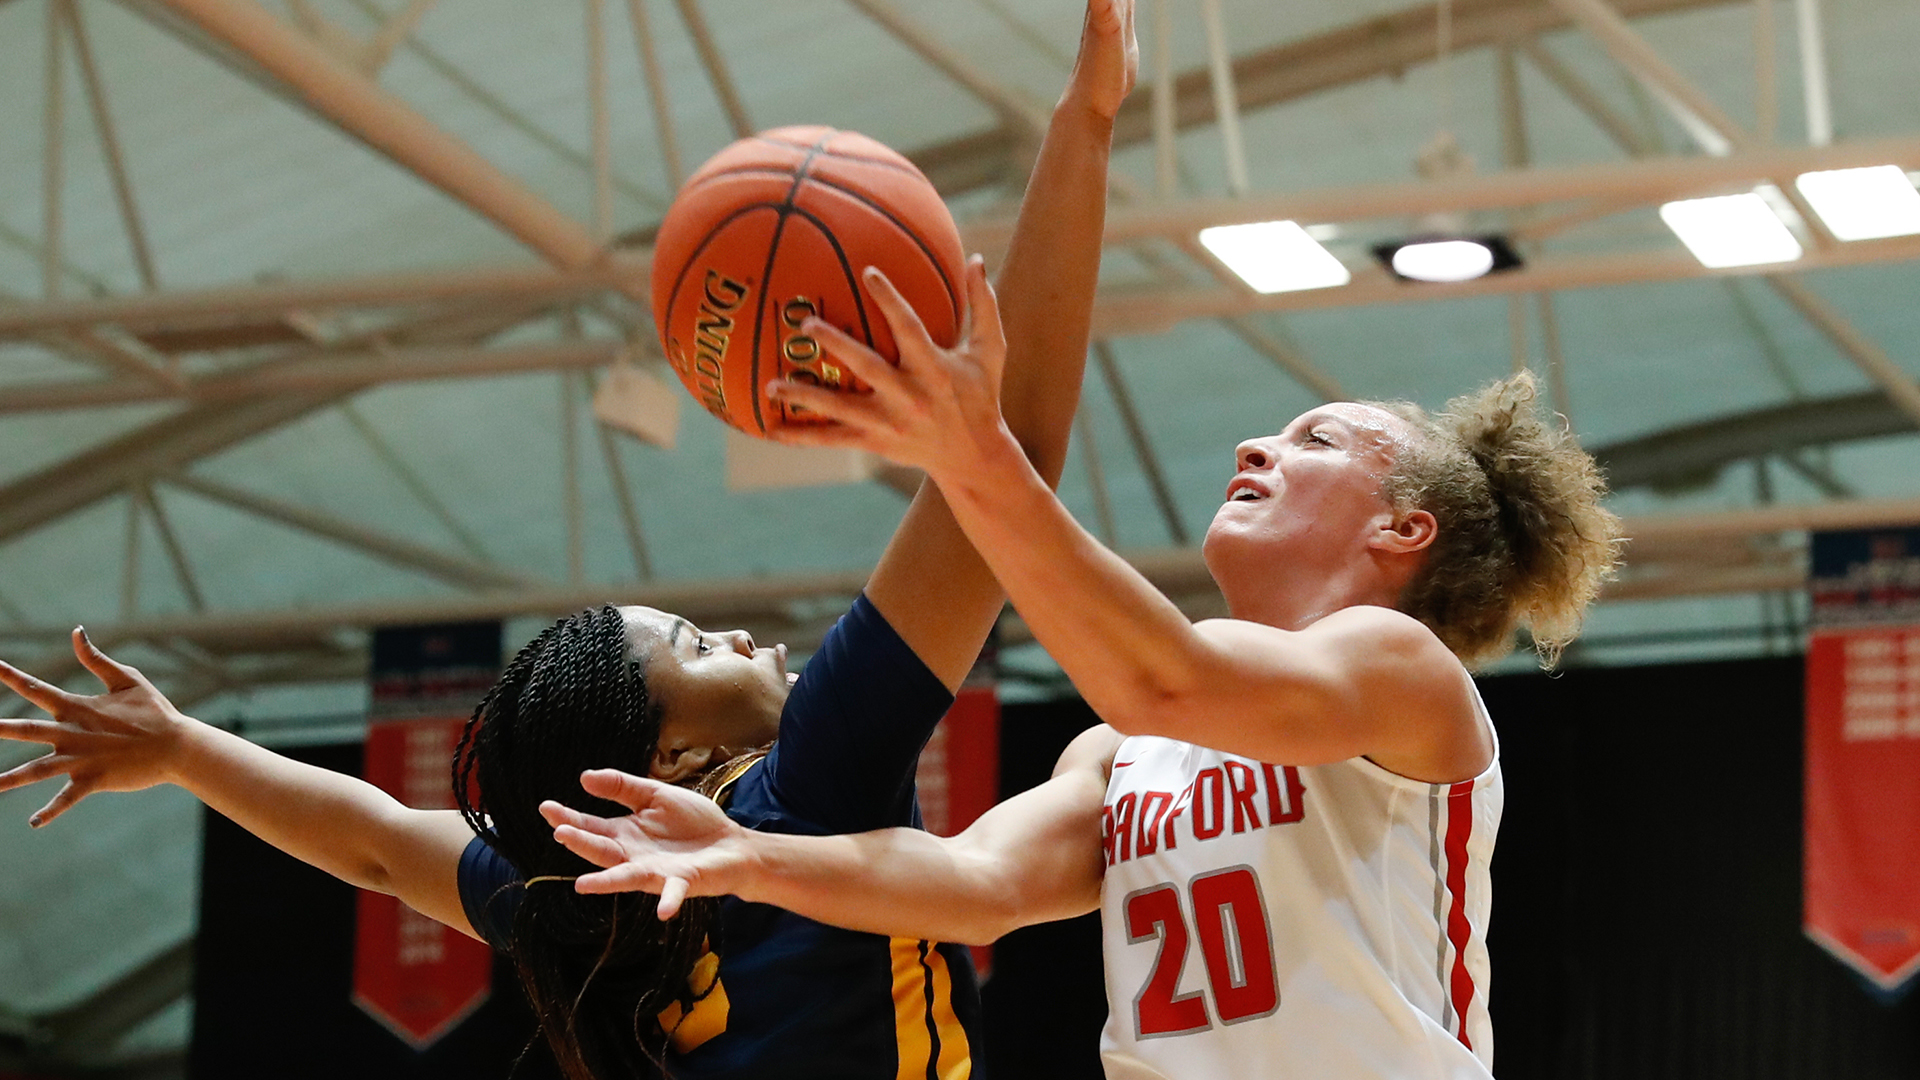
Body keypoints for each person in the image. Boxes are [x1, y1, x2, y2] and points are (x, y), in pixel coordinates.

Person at [0, 4, 1136, 1078]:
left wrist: (189, 749)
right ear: (677, 767)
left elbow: (381, 845)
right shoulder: (805, 789)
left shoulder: (582, 894)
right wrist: (1081, 129)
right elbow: (1010, 466)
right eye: (700, 648)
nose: (740, 635)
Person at [540, 278, 1624, 1076]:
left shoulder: (1399, 671)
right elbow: (980, 892)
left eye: (1316, 439)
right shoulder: (1124, 754)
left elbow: (1165, 678)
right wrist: (752, 856)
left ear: (1403, 527)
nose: (1257, 445)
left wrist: (978, 458)